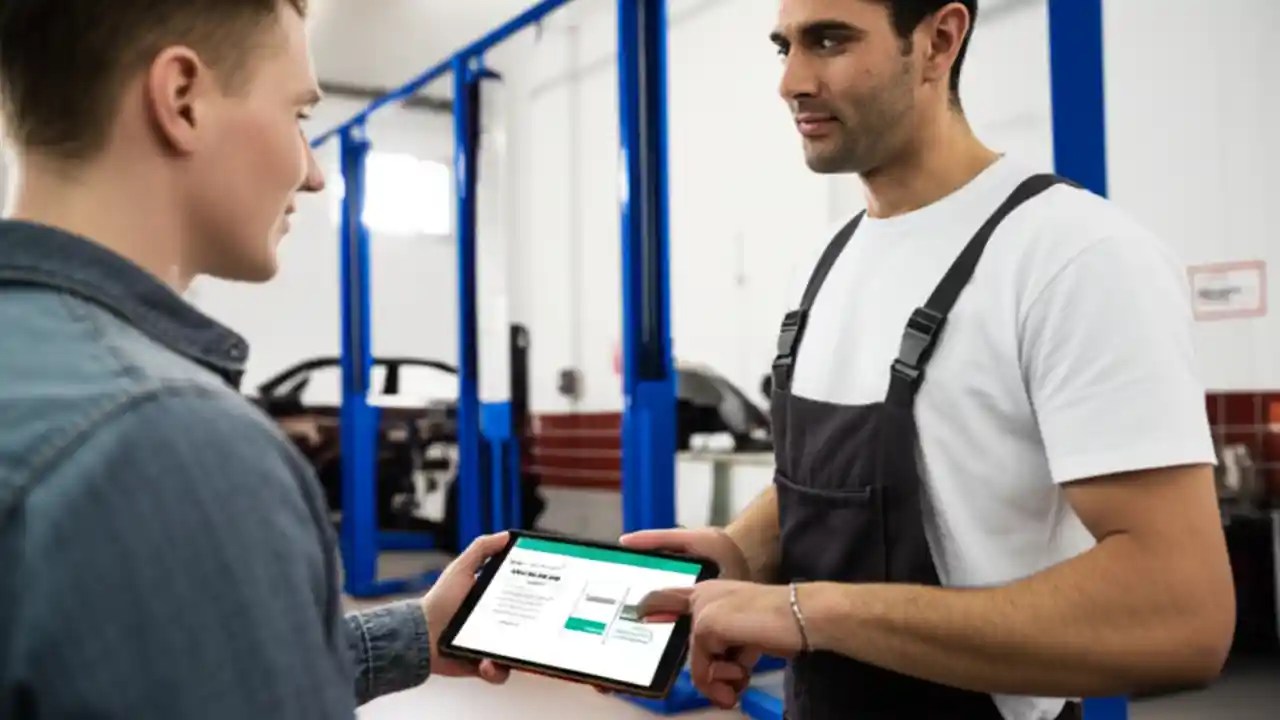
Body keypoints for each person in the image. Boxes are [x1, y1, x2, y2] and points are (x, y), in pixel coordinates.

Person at [628, 1, 1236, 719]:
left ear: (939, 41)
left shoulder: (1074, 258)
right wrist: (742, 553)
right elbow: (862, 481)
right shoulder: (826, 263)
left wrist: (809, 612)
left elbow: (1180, 616)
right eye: (784, 47)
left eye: (830, 41)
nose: (791, 81)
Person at [0, 1, 508, 717]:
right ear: (183, 99)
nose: (313, 174)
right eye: (298, 114)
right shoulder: (168, 442)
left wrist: (415, 635)